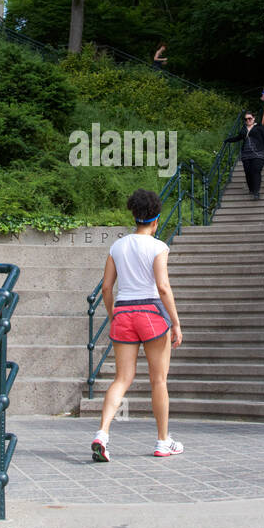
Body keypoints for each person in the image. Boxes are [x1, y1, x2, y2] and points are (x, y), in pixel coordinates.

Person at [90, 188, 183, 462]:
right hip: (151, 313)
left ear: (135, 216)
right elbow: (163, 288)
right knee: (158, 380)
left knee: (122, 379)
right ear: (156, 220)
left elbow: (107, 287)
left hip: (125, 313)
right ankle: (163, 442)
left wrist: (112, 314)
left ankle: (102, 434)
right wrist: (176, 323)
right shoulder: (158, 247)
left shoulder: (117, 246)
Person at [229, 111, 264, 198]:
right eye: (246, 119)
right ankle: (251, 189)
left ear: (254, 118)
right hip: (246, 154)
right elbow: (239, 137)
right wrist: (228, 140)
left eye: (249, 118)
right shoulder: (243, 128)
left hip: (259, 153)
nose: (248, 120)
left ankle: (256, 192)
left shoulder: (260, 127)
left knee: (255, 170)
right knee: (248, 172)